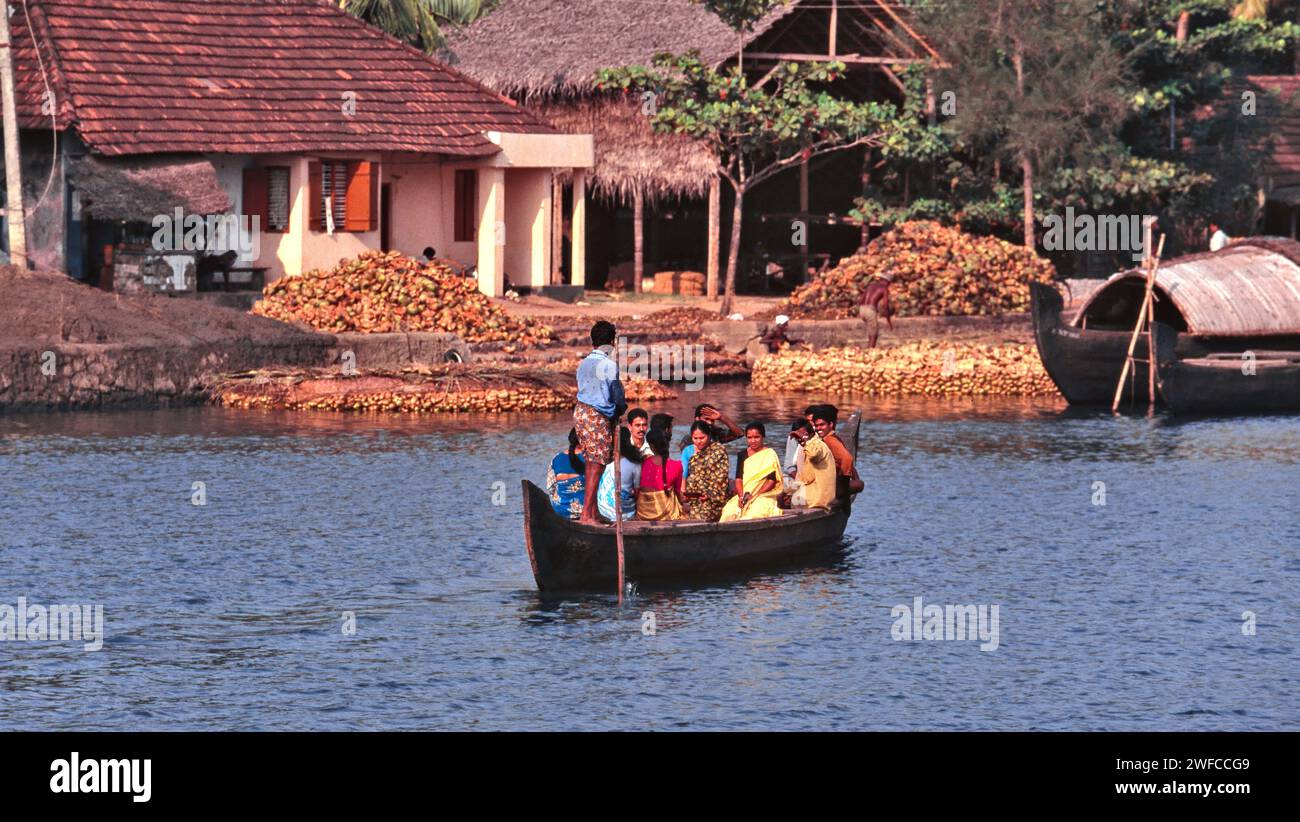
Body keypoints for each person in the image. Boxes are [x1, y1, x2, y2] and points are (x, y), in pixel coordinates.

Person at [574, 321, 627, 524]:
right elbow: (616, 394)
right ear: (611, 342)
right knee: (597, 464)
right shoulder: (608, 365)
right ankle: (587, 514)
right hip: (596, 416)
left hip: (581, 413)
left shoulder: (584, 363)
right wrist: (620, 408)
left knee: (592, 462)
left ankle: (592, 511)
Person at [718, 422, 784, 522]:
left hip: (763, 494)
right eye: (749, 437)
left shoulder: (769, 454)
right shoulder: (742, 454)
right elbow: (739, 478)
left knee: (756, 513)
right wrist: (741, 497)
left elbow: (771, 481)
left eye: (756, 437)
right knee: (729, 512)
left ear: (763, 437)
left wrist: (755, 496)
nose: (753, 441)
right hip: (744, 494)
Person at [811, 404, 862, 499]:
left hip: (830, 482)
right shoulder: (830, 439)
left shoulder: (829, 439)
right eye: (816, 426)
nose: (818, 428)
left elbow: (847, 460)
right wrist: (845, 484)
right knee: (859, 484)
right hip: (828, 484)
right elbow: (847, 459)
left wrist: (843, 480)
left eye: (821, 425)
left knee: (858, 483)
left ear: (830, 424)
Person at [681, 421, 730, 521]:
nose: (699, 441)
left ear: (709, 436)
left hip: (714, 499)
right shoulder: (689, 451)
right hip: (694, 498)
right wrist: (684, 494)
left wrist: (709, 494)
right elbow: (684, 475)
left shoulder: (718, 450)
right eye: (695, 438)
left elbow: (721, 478)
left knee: (701, 517)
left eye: (702, 438)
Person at [679, 403, 743, 479]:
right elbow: (689, 467)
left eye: (712, 420)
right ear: (697, 419)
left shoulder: (715, 433)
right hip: (696, 481)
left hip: (716, 480)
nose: (709, 423)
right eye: (706, 419)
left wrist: (722, 418)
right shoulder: (688, 440)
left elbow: (740, 433)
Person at [635, 428, 685, 521]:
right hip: (668, 514)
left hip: (643, 514)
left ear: (651, 446)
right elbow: (678, 492)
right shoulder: (677, 465)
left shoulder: (643, 463)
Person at [597, 426, 644, 523]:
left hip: (602, 510)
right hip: (623, 514)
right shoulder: (635, 463)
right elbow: (637, 493)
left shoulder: (603, 460)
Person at [790, 419, 837, 511]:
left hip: (818, 498)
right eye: (797, 437)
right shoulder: (805, 446)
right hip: (812, 491)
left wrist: (805, 440)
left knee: (792, 499)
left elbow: (813, 454)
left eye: (801, 436)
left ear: (807, 434)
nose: (799, 439)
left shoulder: (817, 444)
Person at [546, 429, 587, 519]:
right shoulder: (589, 458)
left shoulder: (556, 458)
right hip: (583, 511)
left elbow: (551, 488)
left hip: (559, 509)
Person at [859, 274, 895, 347]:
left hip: (861, 309)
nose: (889, 285)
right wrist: (888, 320)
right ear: (886, 281)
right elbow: (885, 305)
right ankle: (871, 351)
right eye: (888, 283)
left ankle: (869, 348)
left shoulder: (870, 286)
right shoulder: (884, 289)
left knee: (871, 330)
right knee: (874, 334)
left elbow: (860, 300)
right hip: (870, 310)